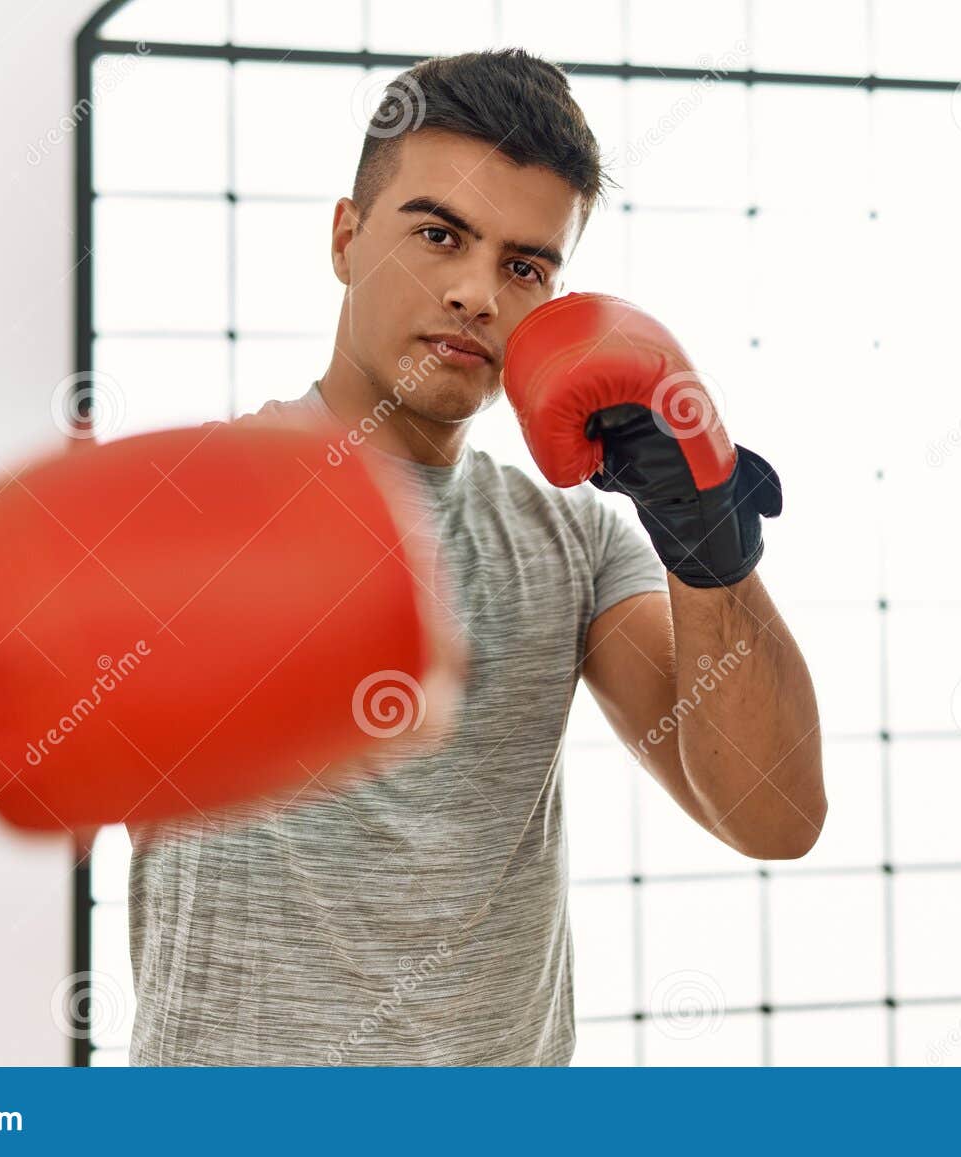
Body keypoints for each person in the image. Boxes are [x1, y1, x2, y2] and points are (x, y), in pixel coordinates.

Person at [126, 47, 825, 1066]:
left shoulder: (573, 541)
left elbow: (775, 814)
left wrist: (707, 546)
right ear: (346, 236)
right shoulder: (186, 494)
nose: (475, 293)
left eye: (523, 265)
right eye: (438, 235)